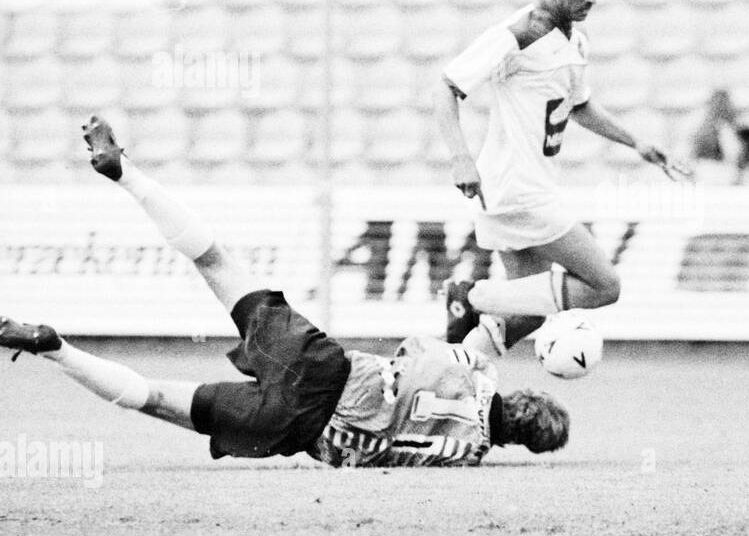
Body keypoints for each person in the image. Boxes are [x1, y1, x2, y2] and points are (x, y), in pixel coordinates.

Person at [0, 116, 569, 468]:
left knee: (215, 259)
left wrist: (483, 315)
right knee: (151, 396)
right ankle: (56, 350)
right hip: (298, 427)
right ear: (519, 443)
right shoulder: (469, 455)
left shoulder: (475, 369)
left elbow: (414, 352)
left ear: (525, 400)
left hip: (321, 366)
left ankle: (125, 174)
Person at [433, 0, 690, 360]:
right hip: (519, 190)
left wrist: (638, 143)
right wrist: (461, 156)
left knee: (528, 312)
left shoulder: (575, 41)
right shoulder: (519, 34)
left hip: (521, 189)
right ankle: (471, 295)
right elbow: (446, 87)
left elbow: (579, 106)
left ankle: (452, 371)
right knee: (604, 285)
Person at [688, 89, 749, 185]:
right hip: (720, 176)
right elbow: (734, 156)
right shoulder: (724, 128)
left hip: (706, 174)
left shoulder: (702, 129)